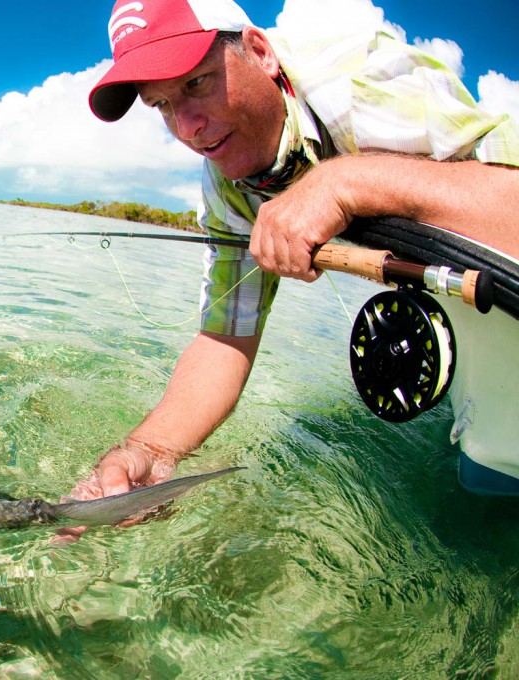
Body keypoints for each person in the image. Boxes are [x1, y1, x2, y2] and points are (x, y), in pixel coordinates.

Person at [59, 0, 519, 536]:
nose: (189, 127)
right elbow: (225, 341)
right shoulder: (226, 190)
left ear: (259, 51)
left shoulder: (365, 85)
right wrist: (149, 451)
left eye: (198, 83)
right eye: (161, 105)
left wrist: (344, 183)